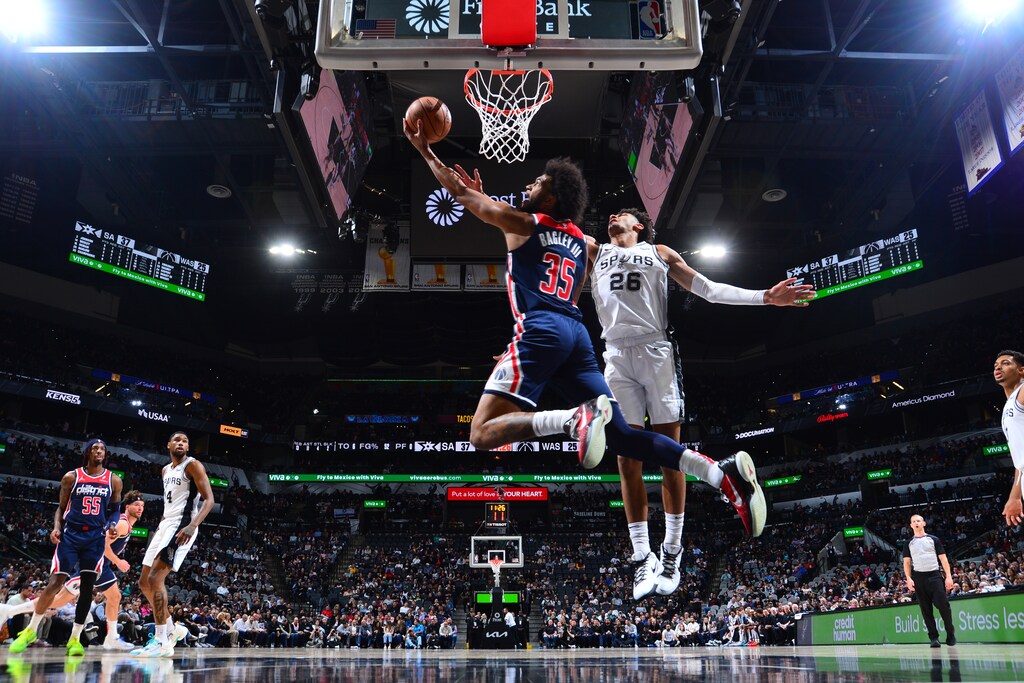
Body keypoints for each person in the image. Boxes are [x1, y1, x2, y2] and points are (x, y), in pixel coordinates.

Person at [406, 122, 765, 538]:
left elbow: (464, 197)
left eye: (538, 180)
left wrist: (426, 152)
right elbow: (570, 296)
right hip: (574, 337)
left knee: (482, 433)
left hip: (542, 330)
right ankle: (721, 475)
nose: (529, 182)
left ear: (551, 196)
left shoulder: (526, 223)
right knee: (625, 439)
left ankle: (571, 419)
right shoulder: (579, 240)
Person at [586, 209, 814, 599]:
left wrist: (766, 298)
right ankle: (643, 556)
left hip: (656, 351)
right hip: (616, 356)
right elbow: (548, 246)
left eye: (621, 213)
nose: (611, 215)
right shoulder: (594, 251)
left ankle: (671, 551)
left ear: (639, 225)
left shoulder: (660, 252)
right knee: (625, 456)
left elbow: (708, 289)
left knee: (669, 455)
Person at [6, 438, 123, 656]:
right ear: (87, 452)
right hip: (71, 535)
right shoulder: (72, 477)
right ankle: (31, 630)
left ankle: (75, 639)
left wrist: (113, 524)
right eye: (95, 448)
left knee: (87, 589)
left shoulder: (113, 480)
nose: (99, 451)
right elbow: (60, 508)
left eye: (103, 449)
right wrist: (56, 528)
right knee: (55, 582)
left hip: (95, 538)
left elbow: (115, 509)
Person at [0, 490, 145, 650]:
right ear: (127, 506)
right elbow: (102, 545)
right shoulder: (122, 524)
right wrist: (118, 562)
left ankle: (111, 638)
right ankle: (10, 611)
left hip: (102, 567)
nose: (140, 508)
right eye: (136, 505)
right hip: (93, 564)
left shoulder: (127, 525)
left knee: (115, 596)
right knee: (59, 600)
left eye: (142, 506)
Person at [132, 432, 215, 657]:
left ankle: (161, 640)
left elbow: (210, 500)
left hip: (182, 525)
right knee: (143, 582)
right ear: (168, 445)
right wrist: (158, 530)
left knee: (155, 579)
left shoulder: (193, 465)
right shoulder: (165, 470)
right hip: (165, 524)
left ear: (188, 447)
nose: (181, 443)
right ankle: (172, 629)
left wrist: (192, 525)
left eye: (185, 441)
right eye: (177, 440)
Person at [903, 514, 956, 647]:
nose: (916, 523)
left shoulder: (933, 539)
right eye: (913, 521)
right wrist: (908, 578)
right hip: (919, 578)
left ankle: (950, 633)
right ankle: (934, 638)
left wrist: (948, 576)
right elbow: (907, 563)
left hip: (934, 575)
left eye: (918, 521)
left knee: (943, 605)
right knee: (926, 609)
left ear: (924, 523)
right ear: (911, 525)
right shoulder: (908, 543)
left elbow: (943, 559)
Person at [995, 350, 1024, 527]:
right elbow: (1020, 461)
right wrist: (1015, 495)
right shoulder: (1009, 405)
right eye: (996, 365)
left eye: (1005, 363)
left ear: (1021, 370)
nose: (998, 366)